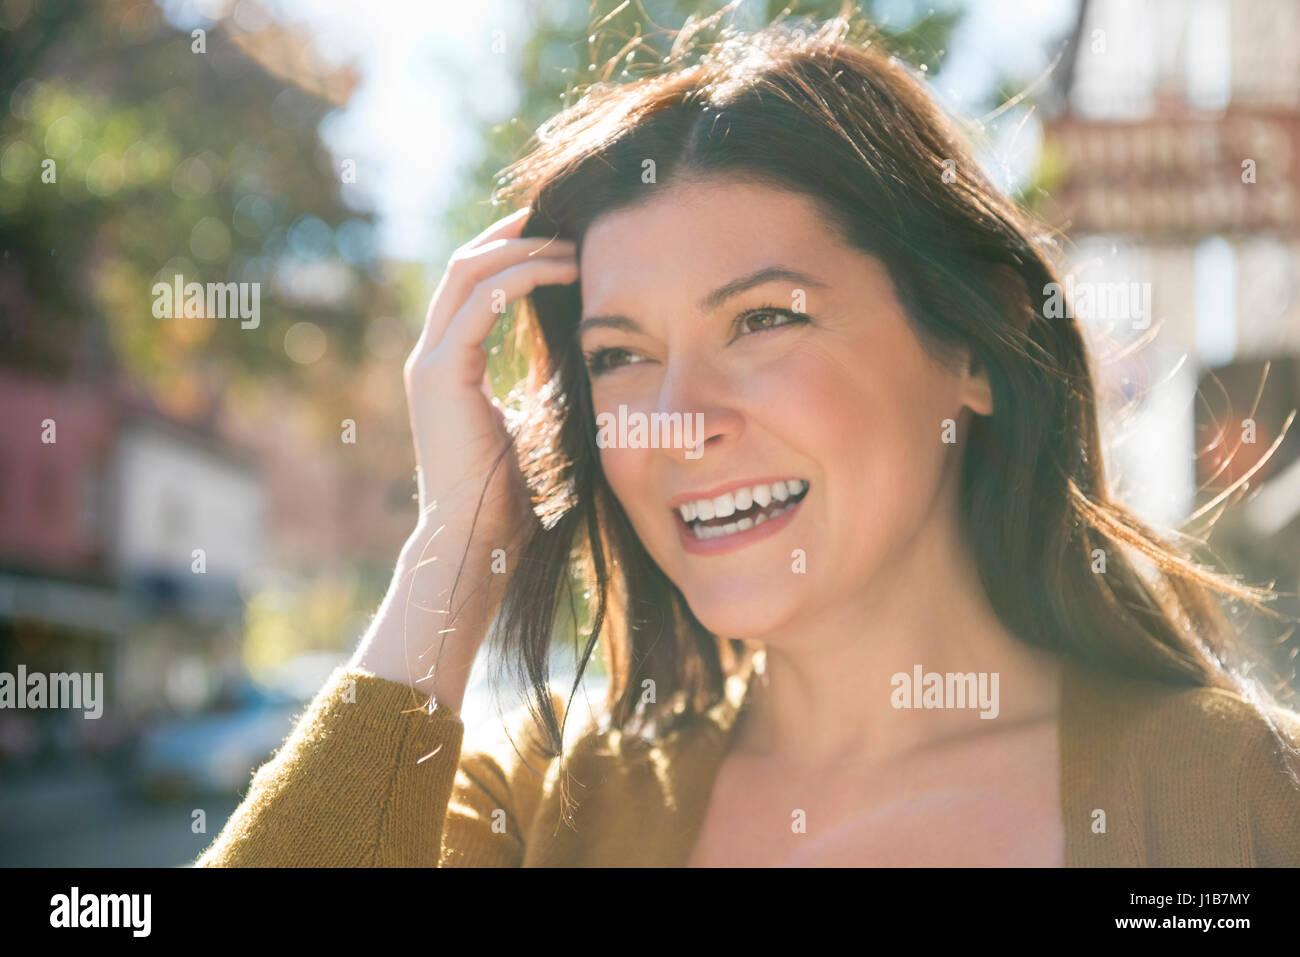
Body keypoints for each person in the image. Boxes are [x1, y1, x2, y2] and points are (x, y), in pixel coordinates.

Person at [197, 14, 1300, 867]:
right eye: (619, 355)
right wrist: (457, 542)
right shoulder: (540, 812)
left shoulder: (1219, 792)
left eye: (765, 319)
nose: (680, 418)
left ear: (980, 343)